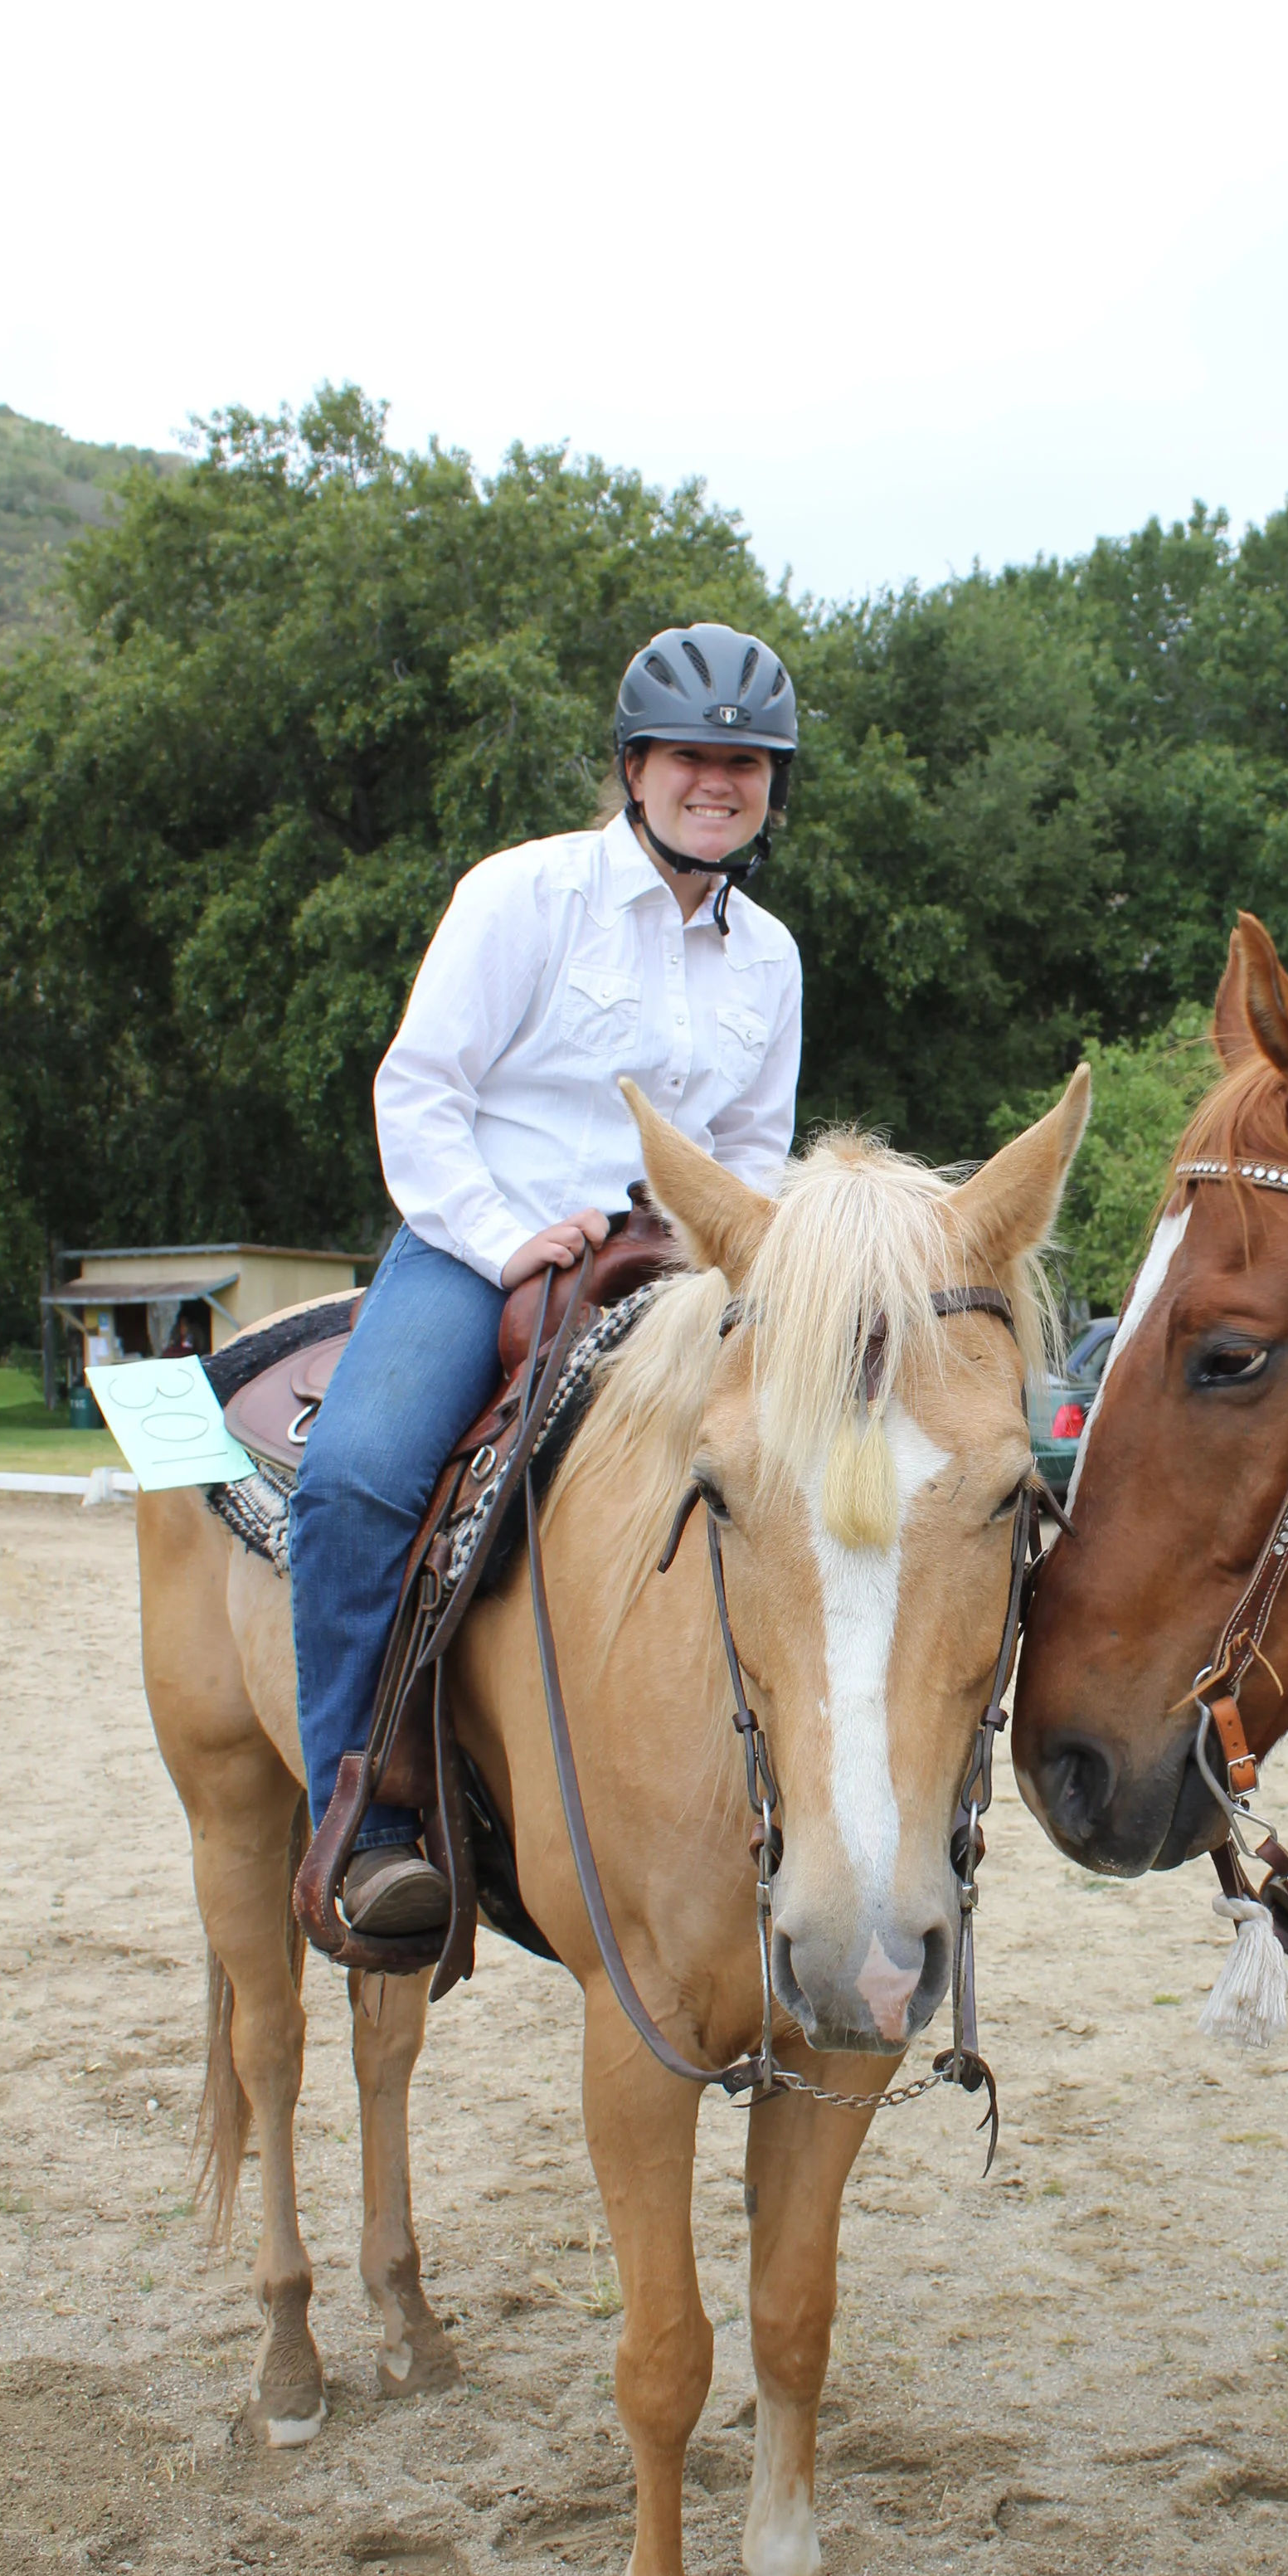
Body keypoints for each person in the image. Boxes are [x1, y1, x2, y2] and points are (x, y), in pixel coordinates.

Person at [288, 623, 804, 1943]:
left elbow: (750, 1153)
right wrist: (506, 1234)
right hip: (487, 1251)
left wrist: (727, 1261)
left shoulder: (772, 959)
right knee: (356, 1478)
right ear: (636, 768)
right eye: (692, 756)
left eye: (745, 764)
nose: (718, 782)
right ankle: (365, 1823)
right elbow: (422, 1090)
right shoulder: (523, 896)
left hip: (672, 1274)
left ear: (770, 789)